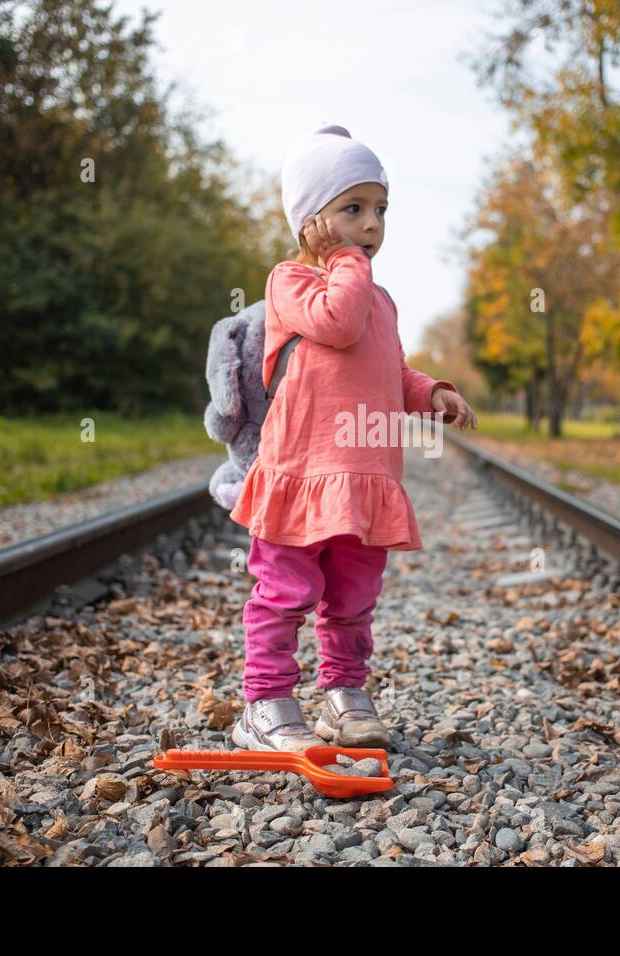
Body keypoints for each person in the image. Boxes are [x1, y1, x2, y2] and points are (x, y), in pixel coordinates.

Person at [228, 124, 477, 752]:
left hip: (366, 476)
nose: (371, 224)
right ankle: (266, 702)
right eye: (353, 208)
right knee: (286, 591)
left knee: (352, 598)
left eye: (380, 209)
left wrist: (430, 393)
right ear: (311, 220)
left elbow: (391, 371)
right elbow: (336, 326)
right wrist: (345, 261)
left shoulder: (381, 299)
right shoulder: (292, 281)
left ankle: (342, 694)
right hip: (302, 471)